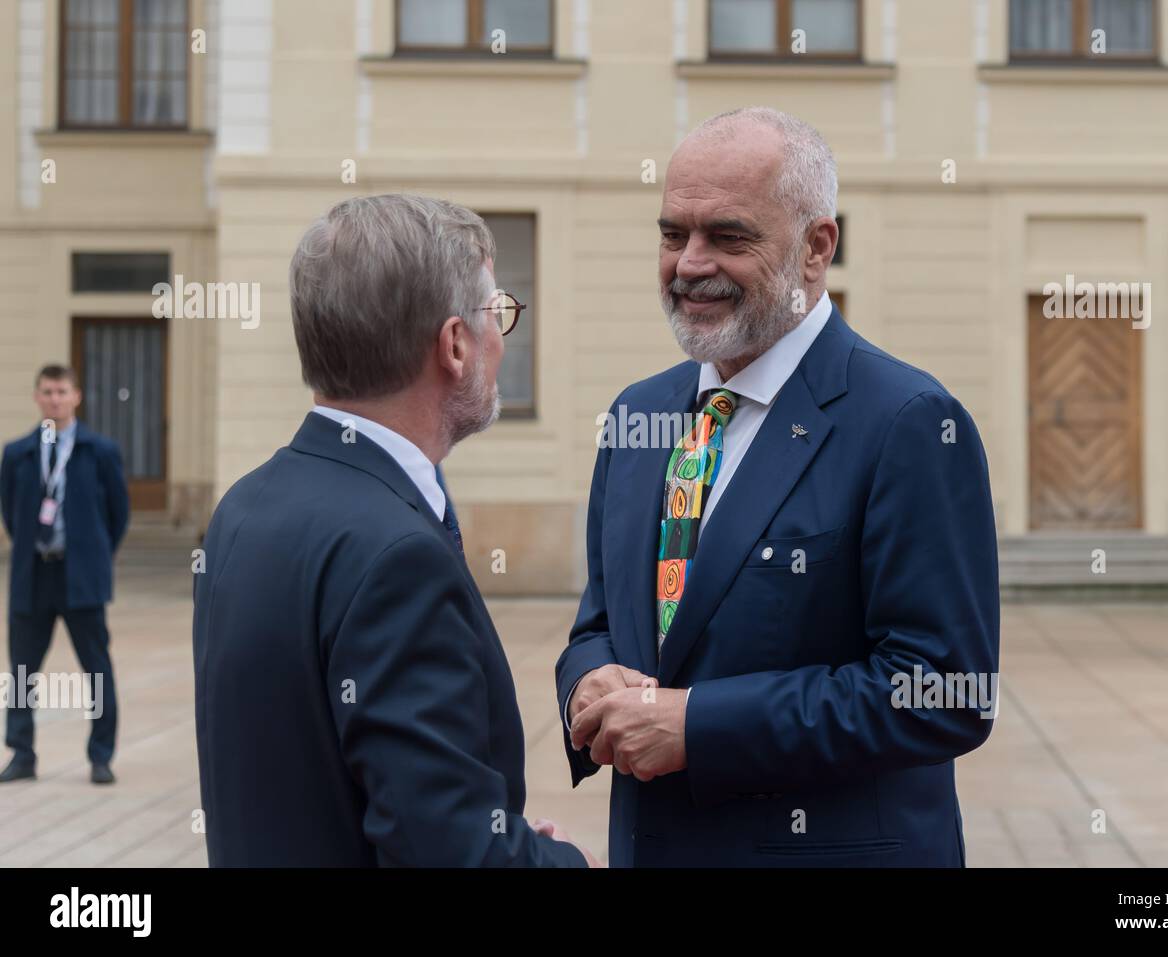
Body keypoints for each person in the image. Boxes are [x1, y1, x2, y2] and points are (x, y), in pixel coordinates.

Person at [557, 108, 1001, 867]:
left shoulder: (908, 421)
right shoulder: (639, 414)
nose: (690, 264)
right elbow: (600, 619)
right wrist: (586, 679)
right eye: (672, 234)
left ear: (815, 247)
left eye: (728, 237)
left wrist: (699, 724)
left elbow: (946, 689)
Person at [193, 194, 596, 867]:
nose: (504, 333)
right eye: (497, 312)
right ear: (456, 346)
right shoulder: (397, 556)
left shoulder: (243, 507)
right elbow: (445, 851)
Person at [1, 364, 128, 785]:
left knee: (97, 668)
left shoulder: (100, 451)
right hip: (33, 575)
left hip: (81, 579)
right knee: (22, 671)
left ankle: (101, 756)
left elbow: (118, 515)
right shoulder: (17, 453)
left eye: (62, 391)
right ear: (37, 397)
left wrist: (93, 555)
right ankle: (21, 753)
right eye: (47, 391)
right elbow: (10, 514)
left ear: (76, 397)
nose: (54, 399)